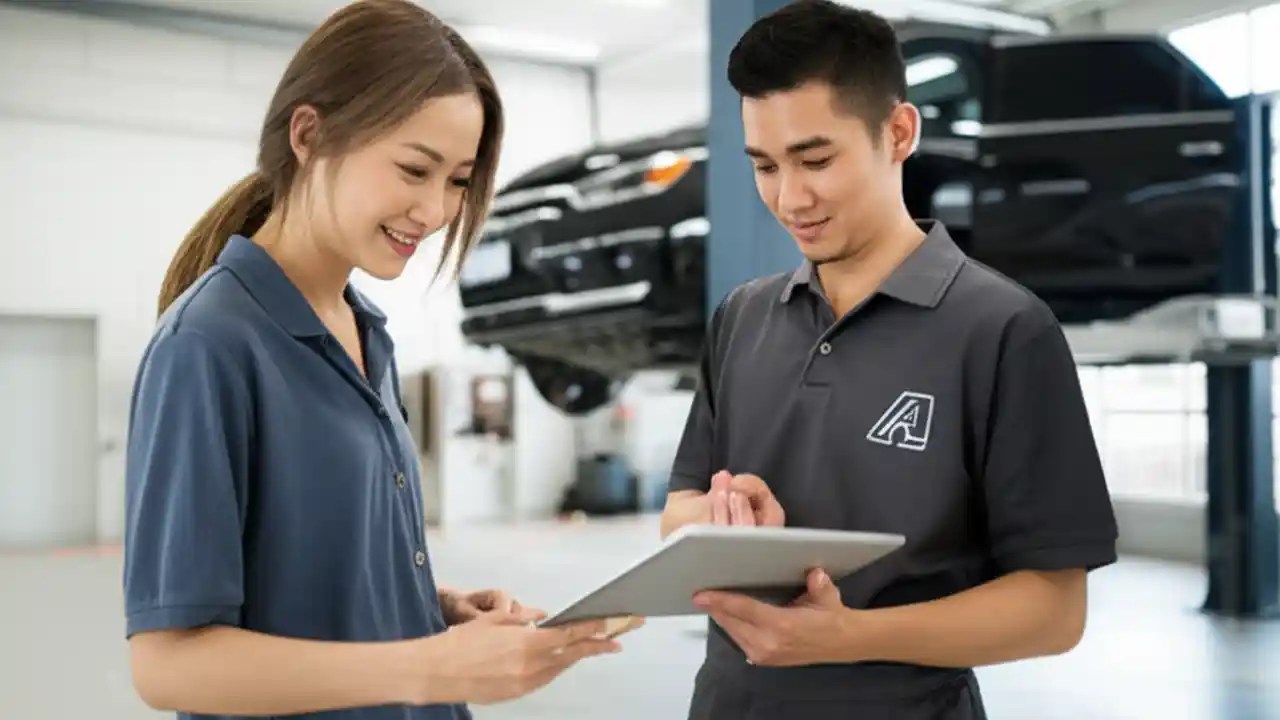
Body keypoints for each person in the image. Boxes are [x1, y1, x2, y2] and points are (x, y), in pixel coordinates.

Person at [122, 2, 629, 719]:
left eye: (457, 180)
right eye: (414, 169)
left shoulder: (367, 332)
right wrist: (424, 664)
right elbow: (169, 664)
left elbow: (314, 578)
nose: (434, 210)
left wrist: (433, 609)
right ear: (309, 134)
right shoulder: (208, 346)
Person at [659, 2, 1119, 718]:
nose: (790, 197)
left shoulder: (1003, 330)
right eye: (765, 166)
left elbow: (1055, 609)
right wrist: (727, 530)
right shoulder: (741, 317)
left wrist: (848, 636)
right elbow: (679, 509)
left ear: (899, 132)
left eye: (816, 159)